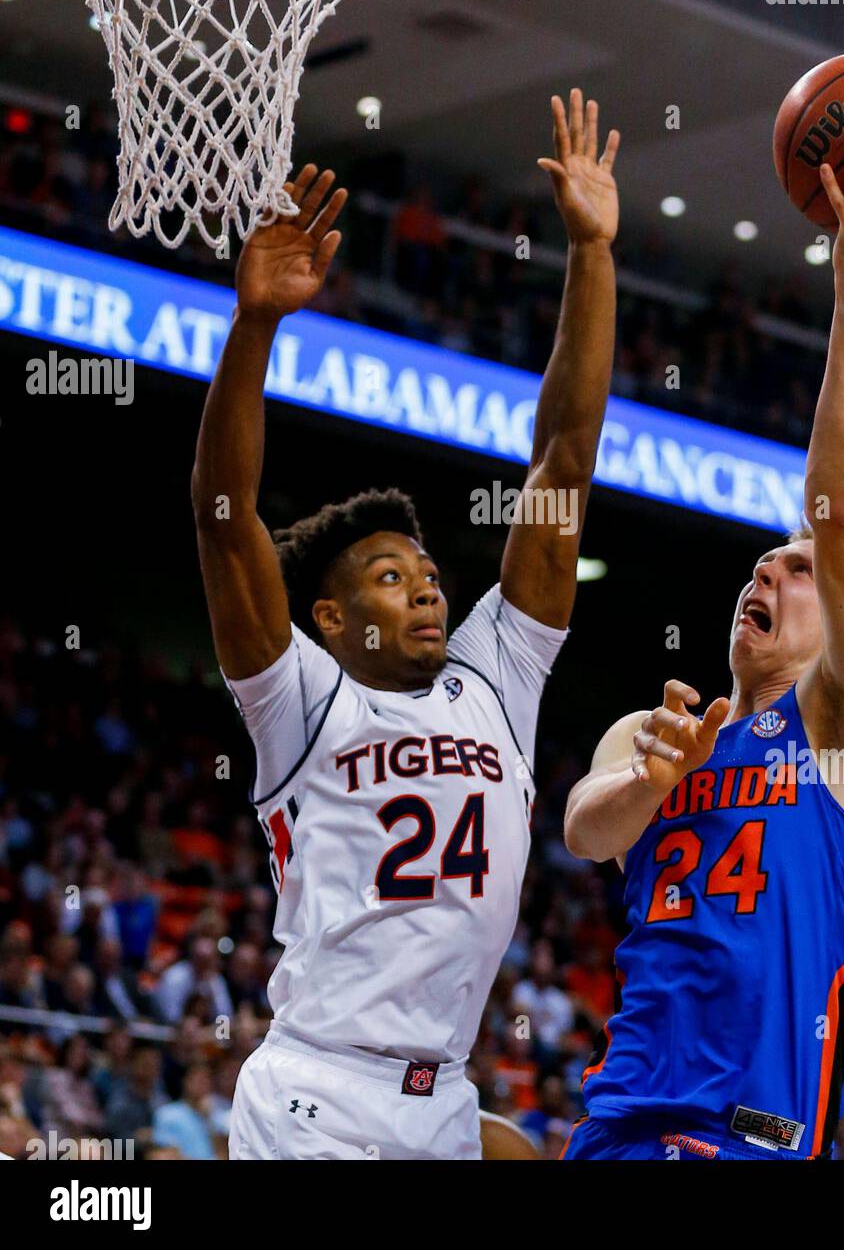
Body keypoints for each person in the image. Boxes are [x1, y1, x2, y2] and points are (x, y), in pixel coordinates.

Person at [192, 90, 620, 1159]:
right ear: (330, 616)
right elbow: (222, 515)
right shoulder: (297, 698)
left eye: (428, 570)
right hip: (316, 1094)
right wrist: (253, 326)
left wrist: (591, 252)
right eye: (390, 576)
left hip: (441, 1098)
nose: (426, 587)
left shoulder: (495, 679)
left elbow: (561, 461)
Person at [561, 139, 844, 1161]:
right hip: (618, 1120)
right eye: (757, 566)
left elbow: (842, 522)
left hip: (749, 1136)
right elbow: (585, 832)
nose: (764, 574)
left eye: (790, 573)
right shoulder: (656, 728)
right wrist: (653, 779)